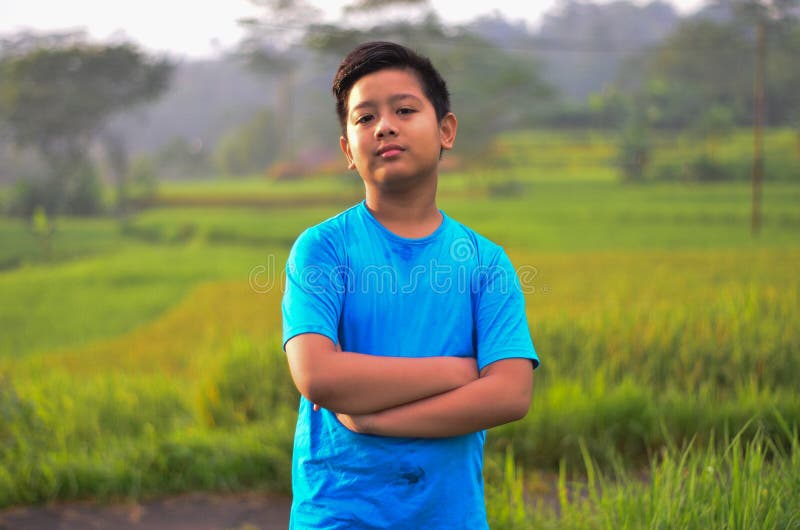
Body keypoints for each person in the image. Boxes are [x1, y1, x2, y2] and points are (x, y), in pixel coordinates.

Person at [281, 40, 539, 529]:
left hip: (448, 515)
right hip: (338, 512)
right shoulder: (323, 250)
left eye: (404, 109)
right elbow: (319, 376)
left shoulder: (485, 262)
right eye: (363, 118)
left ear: (446, 130)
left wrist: (376, 420)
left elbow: (510, 395)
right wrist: (459, 373)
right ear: (347, 151)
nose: (384, 126)